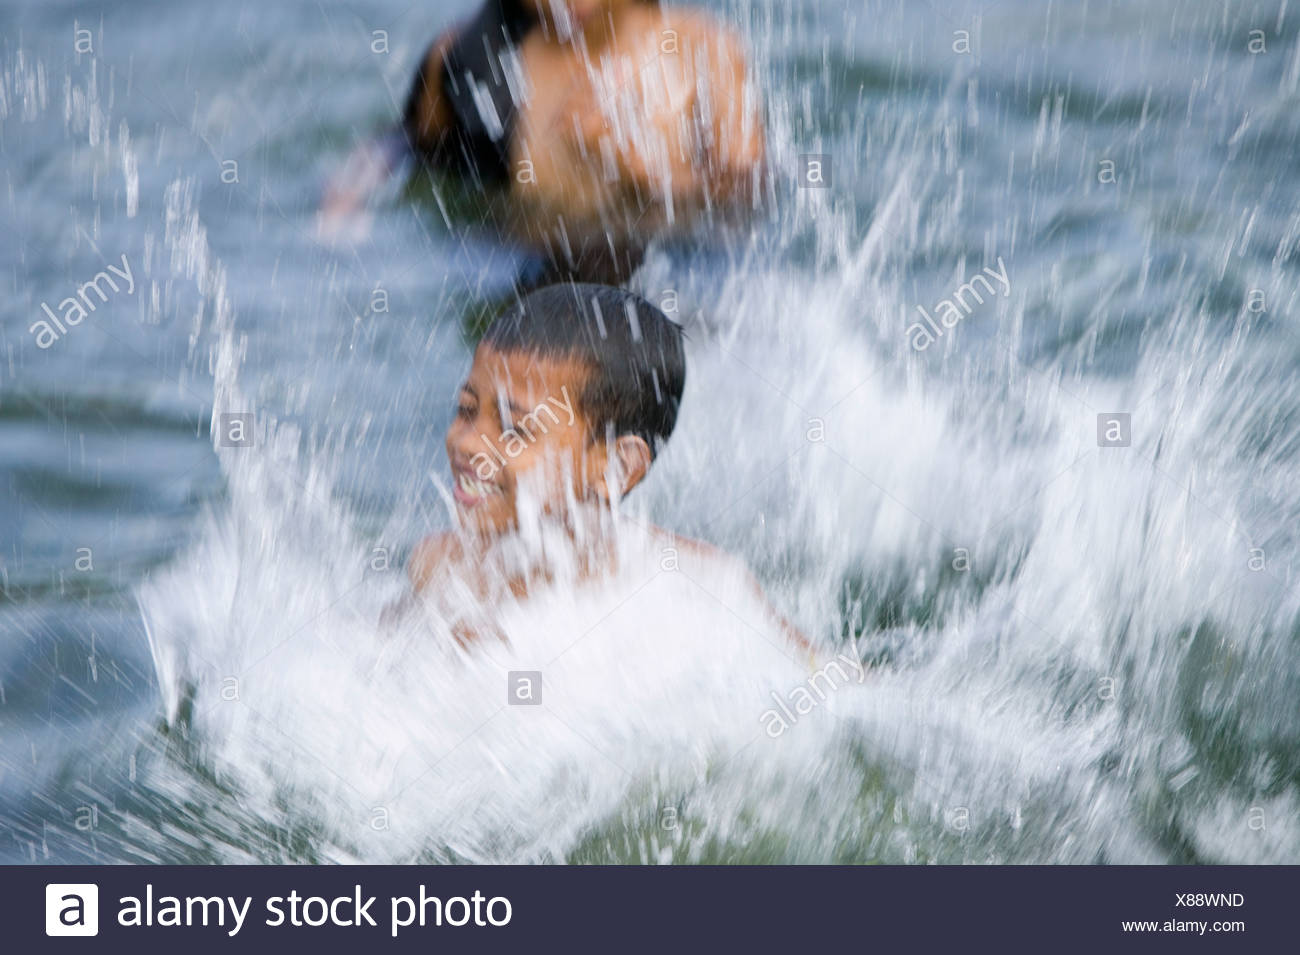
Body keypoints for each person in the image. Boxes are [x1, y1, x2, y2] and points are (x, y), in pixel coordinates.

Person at [400, 282, 808, 652]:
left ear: (616, 467)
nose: (467, 442)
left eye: (515, 430)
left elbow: (829, 687)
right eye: (467, 409)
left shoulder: (699, 587)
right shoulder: (443, 569)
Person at [319, 0, 766, 283]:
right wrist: (345, 198)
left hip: (681, 272)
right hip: (520, 271)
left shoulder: (706, 51)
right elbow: (403, 142)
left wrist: (642, 170)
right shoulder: (472, 60)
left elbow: (751, 197)